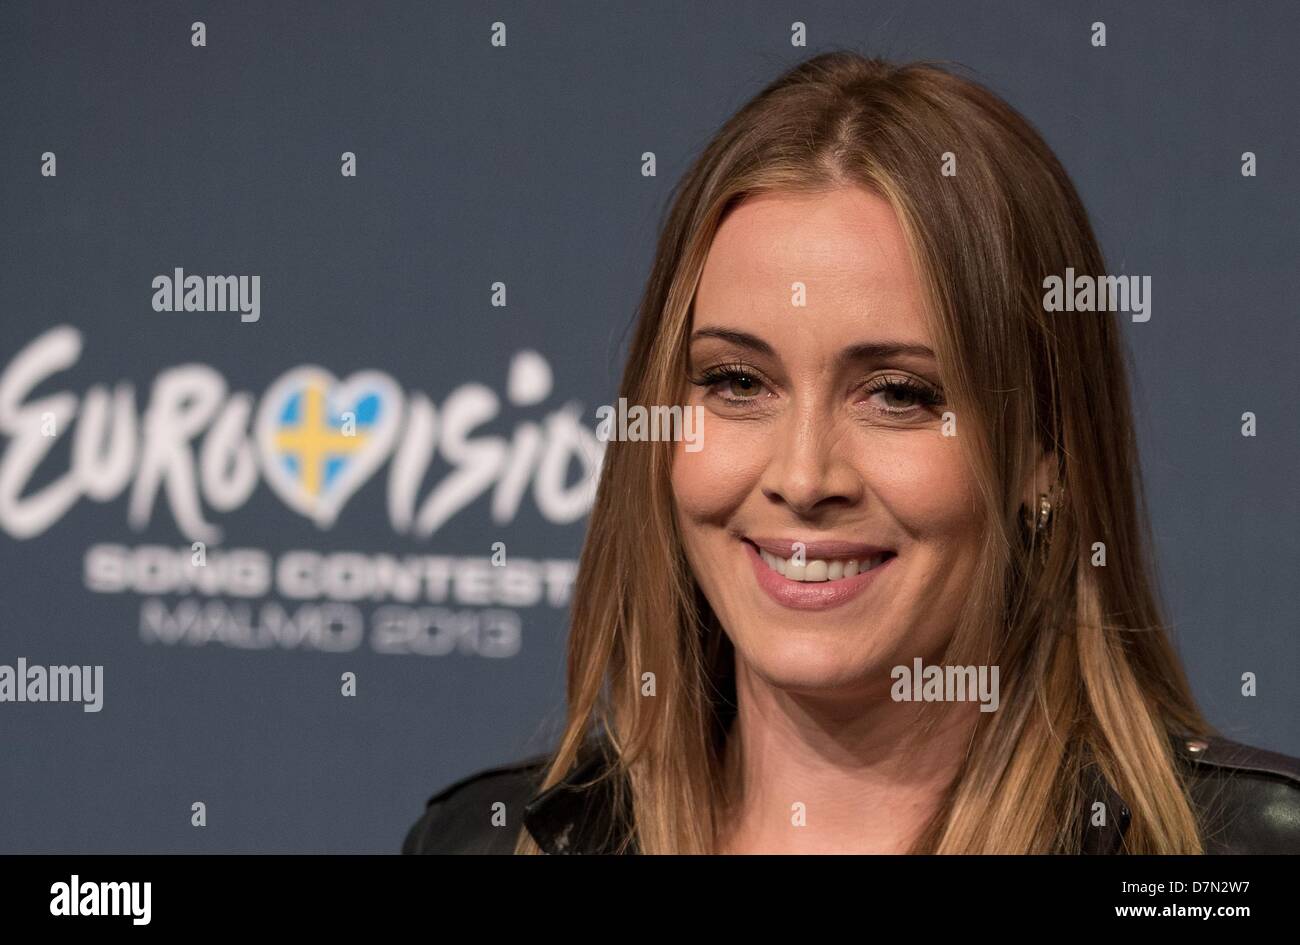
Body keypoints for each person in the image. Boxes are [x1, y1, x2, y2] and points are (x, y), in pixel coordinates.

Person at [404, 51, 1300, 854]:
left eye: (899, 394)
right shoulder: (482, 844)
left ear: (1046, 457)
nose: (802, 478)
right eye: (736, 383)